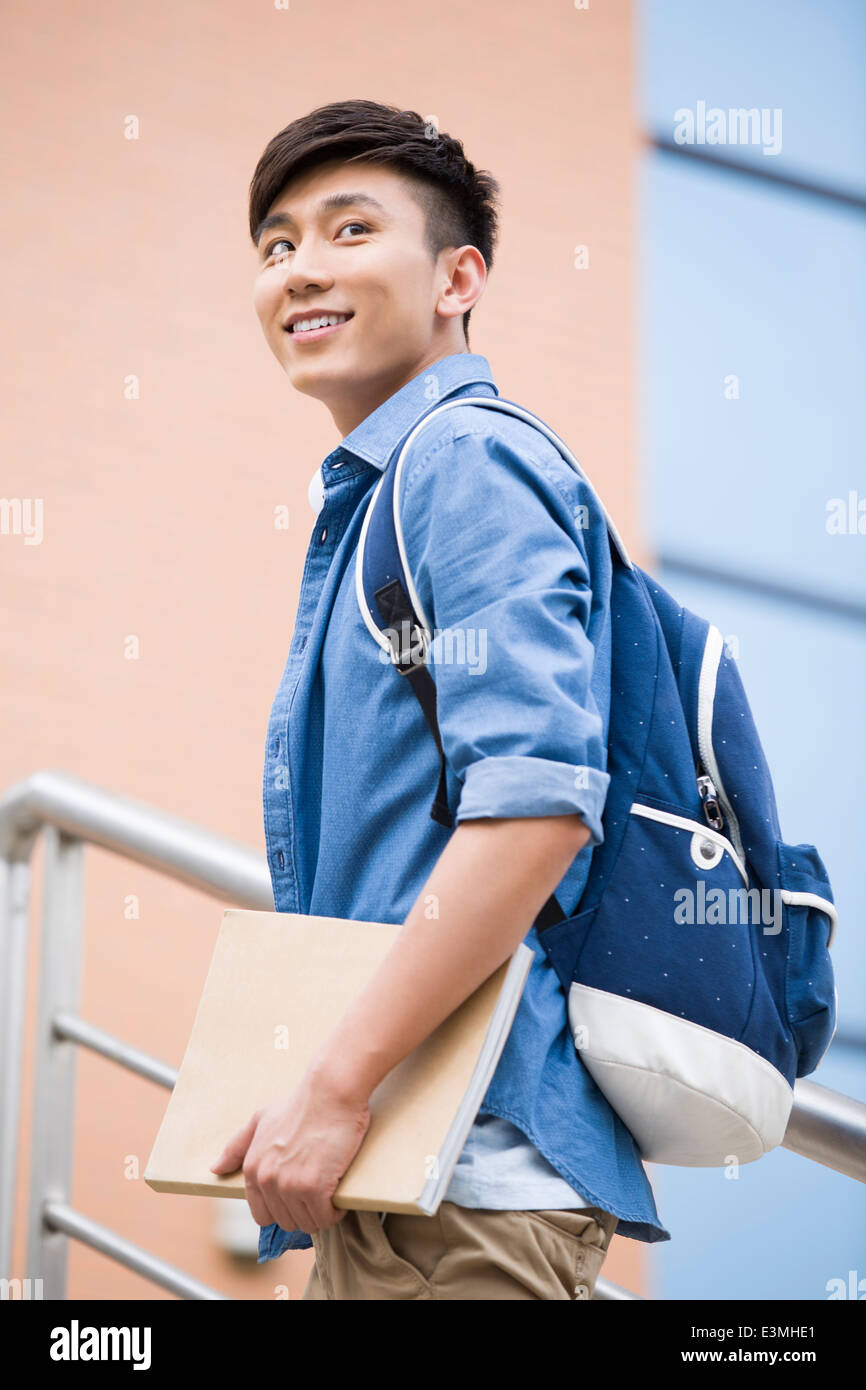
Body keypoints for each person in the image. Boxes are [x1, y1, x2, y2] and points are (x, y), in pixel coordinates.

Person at [209, 98, 669, 1299]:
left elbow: (534, 806)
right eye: (275, 245)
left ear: (457, 274)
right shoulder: (388, 490)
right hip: (410, 1177)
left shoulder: (463, 460)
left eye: (348, 230)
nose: (300, 270)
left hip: (466, 1187)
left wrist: (333, 1084)